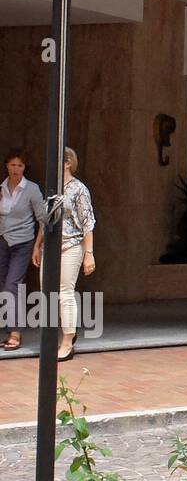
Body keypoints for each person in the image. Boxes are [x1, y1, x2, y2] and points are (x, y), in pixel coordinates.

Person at [31, 148, 94, 362]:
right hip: (49, 247)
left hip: (71, 245)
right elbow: (44, 220)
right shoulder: (50, 188)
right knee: (46, 293)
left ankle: (67, 341)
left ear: (67, 163)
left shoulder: (79, 189)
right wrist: (37, 246)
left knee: (65, 292)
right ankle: (50, 340)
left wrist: (89, 254)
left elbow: (88, 223)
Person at [0, 150, 44, 351]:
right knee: (3, 284)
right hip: (3, 241)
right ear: (7, 166)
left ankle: (15, 332)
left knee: (12, 285)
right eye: (13, 165)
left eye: (20, 165)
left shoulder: (32, 189)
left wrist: (37, 246)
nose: (16, 169)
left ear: (24, 168)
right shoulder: (1, 188)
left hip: (23, 243)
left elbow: (42, 219)